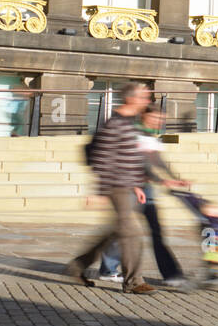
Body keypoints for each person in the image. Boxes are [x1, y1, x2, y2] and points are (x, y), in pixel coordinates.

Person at [66, 81, 155, 294]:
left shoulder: (128, 123)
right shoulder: (115, 124)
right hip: (115, 187)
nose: (148, 101)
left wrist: (136, 185)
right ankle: (134, 281)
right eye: (144, 97)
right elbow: (103, 159)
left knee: (117, 232)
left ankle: (78, 265)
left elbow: (128, 158)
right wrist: (100, 192)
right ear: (131, 98)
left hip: (126, 186)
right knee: (132, 233)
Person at [99, 105, 187, 289]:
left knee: (155, 230)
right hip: (130, 186)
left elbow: (158, 161)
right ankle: (108, 269)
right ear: (144, 115)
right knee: (124, 230)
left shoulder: (151, 136)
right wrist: (162, 181)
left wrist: (175, 178)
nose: (158, 121)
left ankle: (171, 274)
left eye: (161, 118)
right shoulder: (134, 133)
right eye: (155, 117)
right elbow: (140, 164)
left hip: (147, 188)